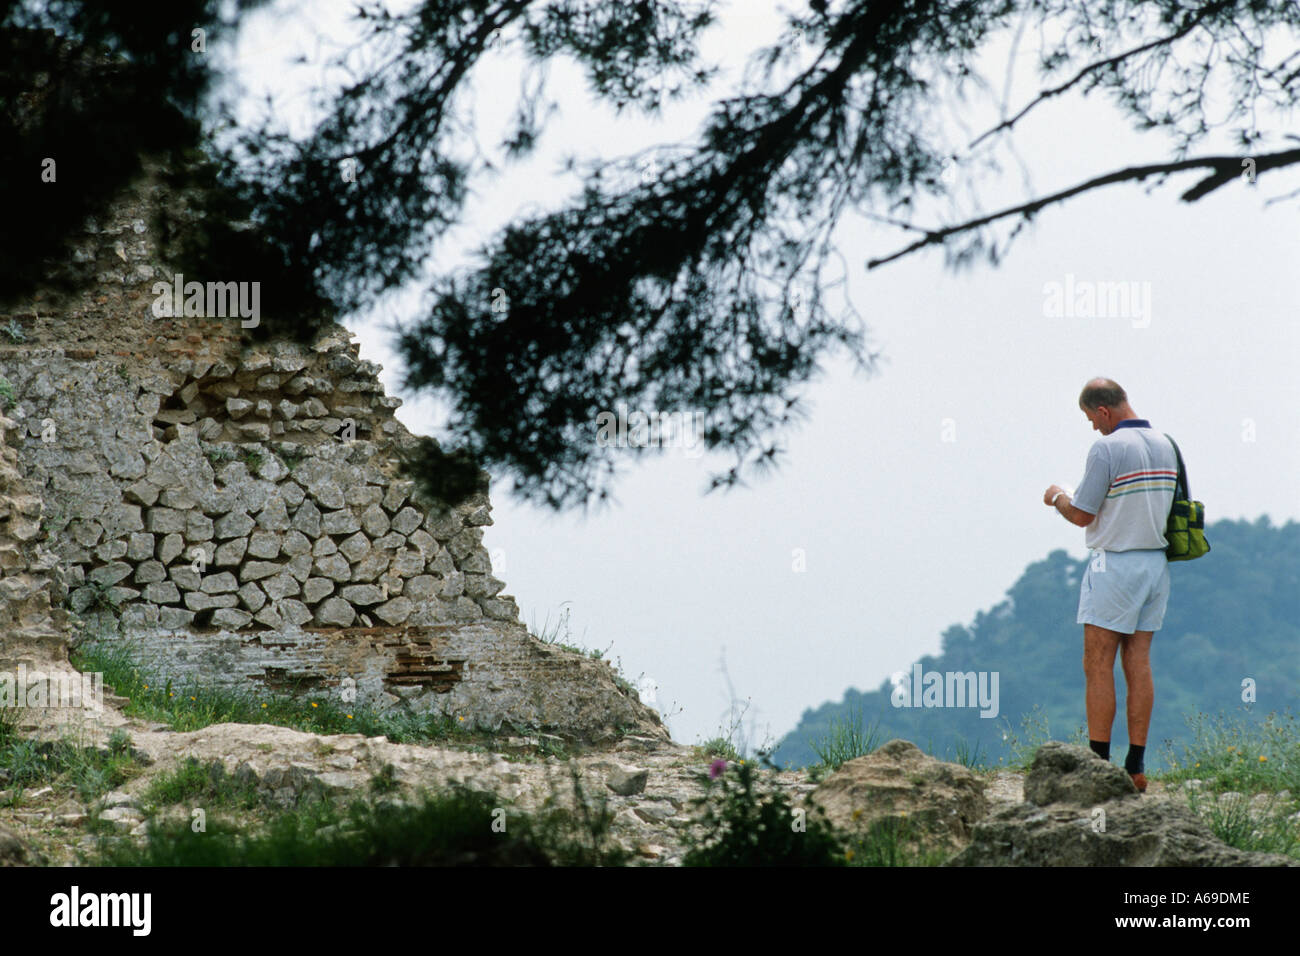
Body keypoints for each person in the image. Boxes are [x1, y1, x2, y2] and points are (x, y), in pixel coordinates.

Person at [1041, 377, 1179, 793]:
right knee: (1138, 663)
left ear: (1103, 410)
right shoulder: (1166, 444)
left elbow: (1083, 514)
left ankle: (1098, 765)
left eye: (1090, 418)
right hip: (1155, 563)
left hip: (1114, 564)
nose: (1092, 427)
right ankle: (1135, 765)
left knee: (1097, 663)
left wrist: (1057, 497)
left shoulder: (1107, 448)